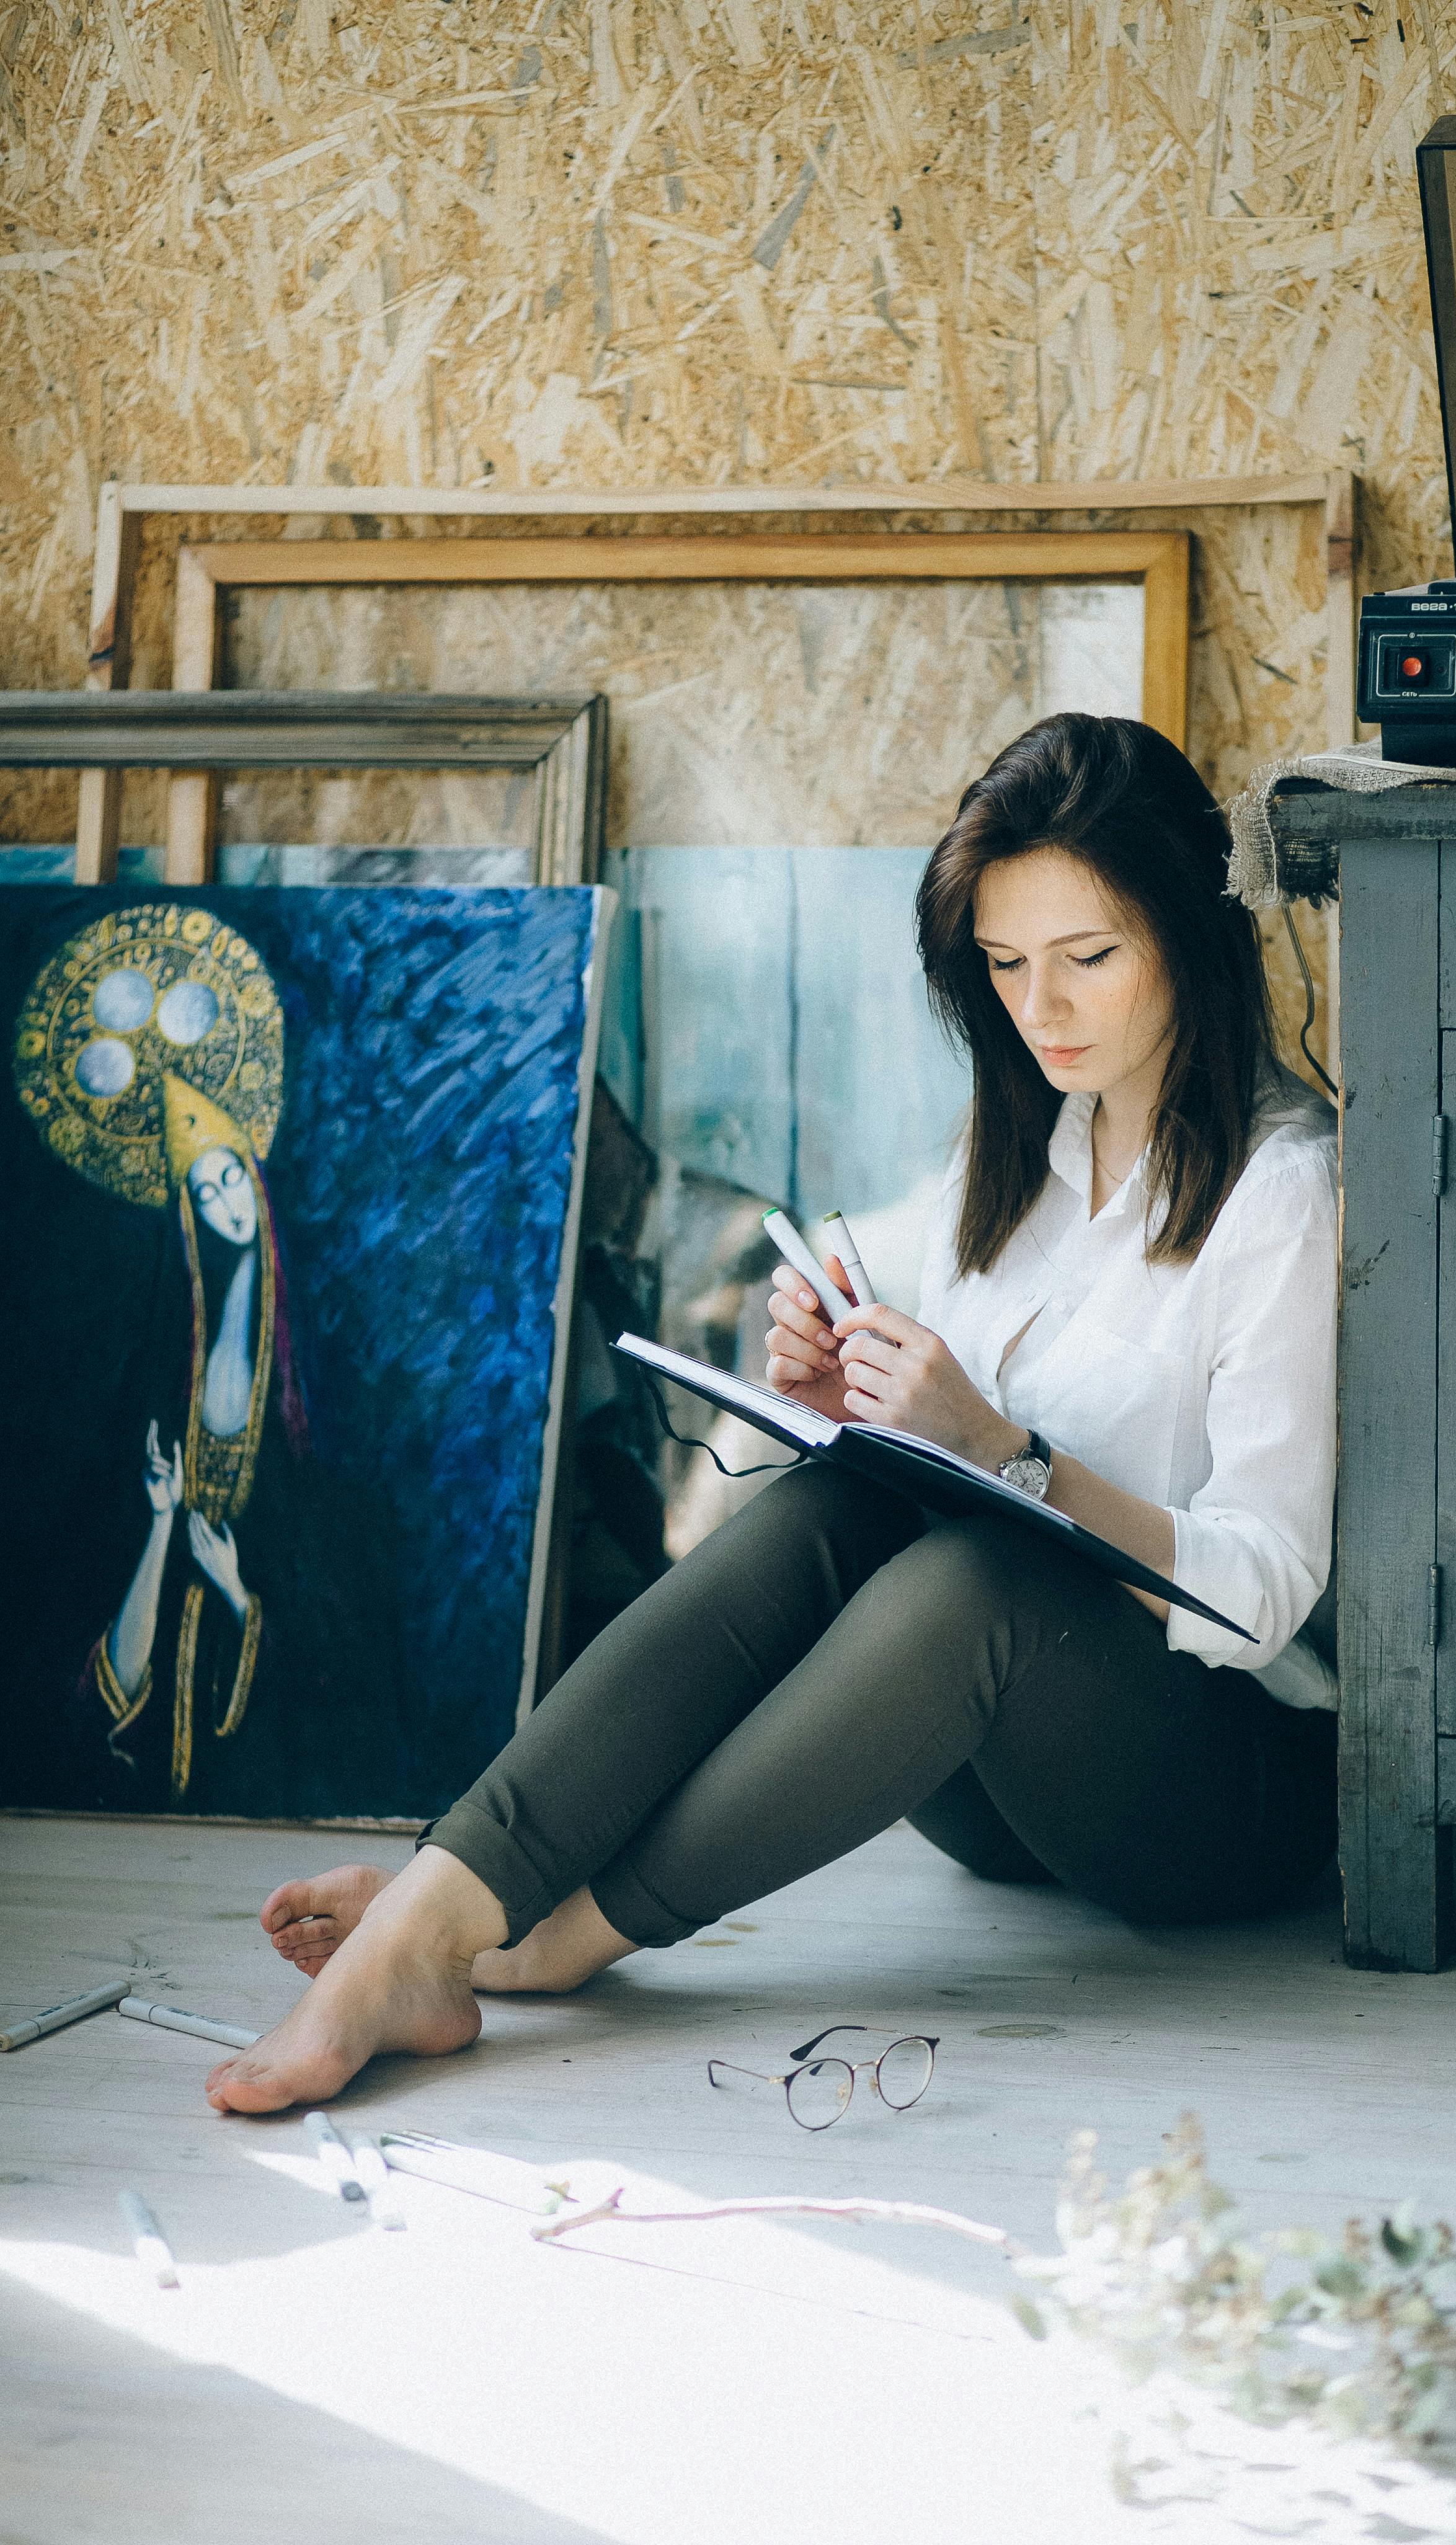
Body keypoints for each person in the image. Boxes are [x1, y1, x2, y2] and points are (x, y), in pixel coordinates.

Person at [205, 713, 1339, 2116]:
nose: (1041, 1008)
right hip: (1007, 1800)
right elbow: (908, 1385)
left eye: (1089, 958)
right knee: (845, 1500)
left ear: (1191, 934)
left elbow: (1267, 1589)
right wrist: (835, 1384)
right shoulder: (1028, 1140)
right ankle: (451, 1904)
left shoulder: (1282, 1191)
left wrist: (1006, 1455)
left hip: (1214, 1804)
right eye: (1002, 965)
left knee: (974, 1572)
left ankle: (546, 1937)